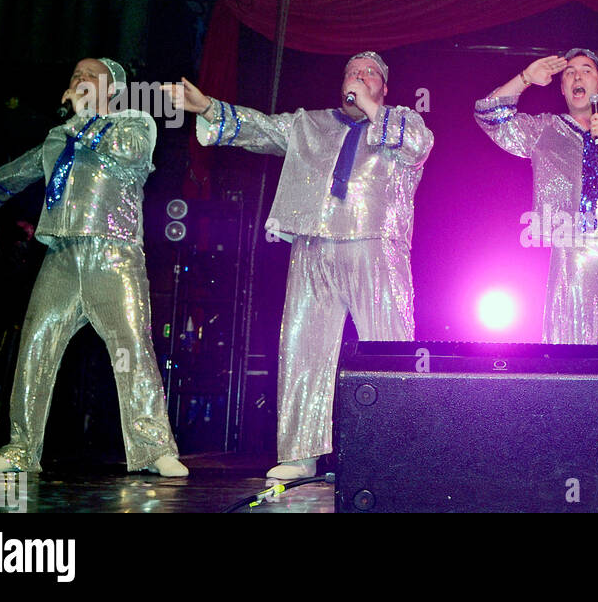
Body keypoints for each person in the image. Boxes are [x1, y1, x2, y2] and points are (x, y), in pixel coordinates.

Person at [162, 52, 432, 479]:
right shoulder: (309, 124)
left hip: (374, 244)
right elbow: (262, 128)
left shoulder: (401, 121)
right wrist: (210, 107)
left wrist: (370, 107)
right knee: (302, 347)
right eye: (350, 73)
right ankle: (301, 454)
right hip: (312, 243)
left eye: (368, 75)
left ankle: (395, 453)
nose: (357, 78)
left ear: (384, 87)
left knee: (388, 346)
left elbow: (418, 147)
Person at [0, 58, 187, 476]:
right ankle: (21, 449)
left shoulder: (134, 122)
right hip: (61, 254)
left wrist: (87, 116)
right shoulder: (58, 136)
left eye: (89, 75)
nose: (78, 79)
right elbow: (24, 169)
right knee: (36, 345)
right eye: (75, 74)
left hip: (113, 254)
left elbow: (129, 155)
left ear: (112, 87)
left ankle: (154, 448)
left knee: (130, 347)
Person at [474, 49, 598, 346]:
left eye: (586, 70)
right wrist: (525, 78)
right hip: (572, 251)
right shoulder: (545, 129)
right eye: (570, 72)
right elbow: (488, 115)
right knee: (570, 349)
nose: (578, 76)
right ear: (562, 87)